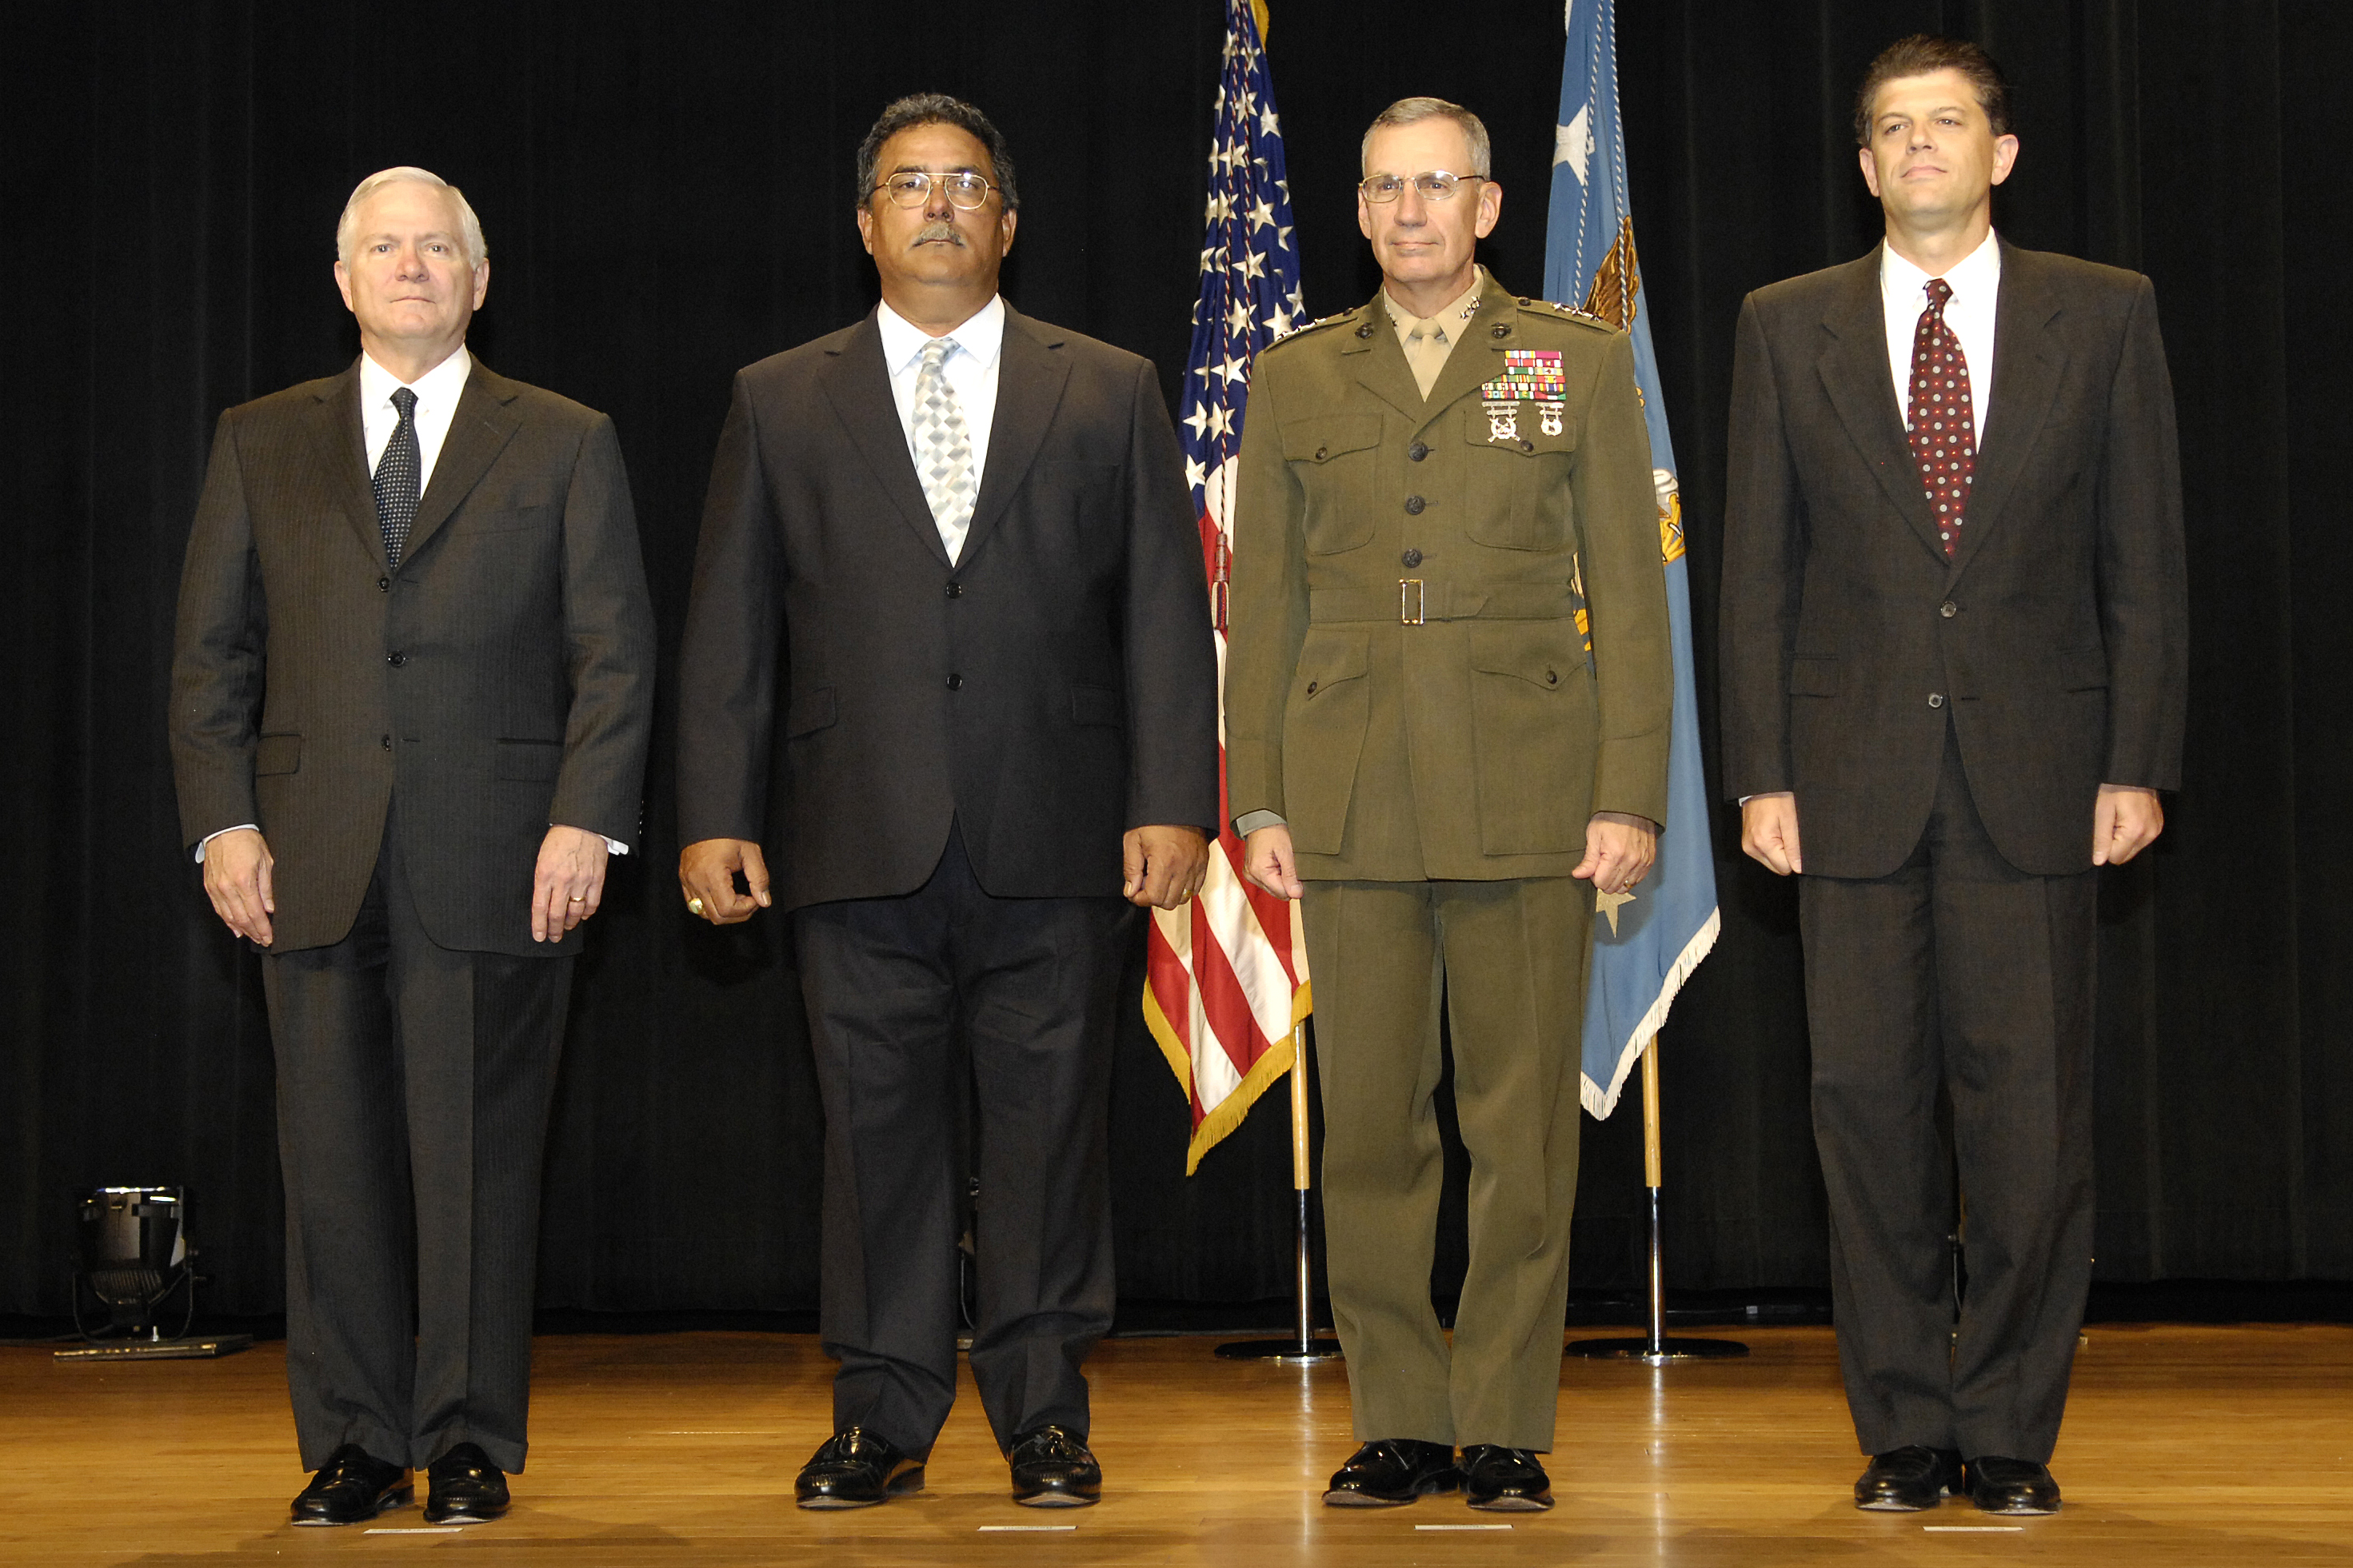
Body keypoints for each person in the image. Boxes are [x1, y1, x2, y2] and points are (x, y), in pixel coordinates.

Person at [673, 93, 1217, 1510]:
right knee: (875, 1138)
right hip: (852, 832)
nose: (937, 204)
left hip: (1060, 825)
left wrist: (1174, 799)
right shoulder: (778, 396)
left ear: (1008, 222)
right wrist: (712, 812)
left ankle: (1044, 1411)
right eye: (908, 183)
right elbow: (731, 628)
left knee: (1048, 1133)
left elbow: (1164, 612)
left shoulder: (1105, 386)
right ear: (865, 224)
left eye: (965, 184)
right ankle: (882, 1412)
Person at [1718, 35, 2186, 1516]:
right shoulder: (1782, 324)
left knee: (2031, 1125)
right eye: (1891, 128)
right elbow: (1753, 573)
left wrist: (2138, 757)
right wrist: (1757, 772)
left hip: (2040, 776)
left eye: (1948, 123)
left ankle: (2011, 1430)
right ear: (1863, 166)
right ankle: (1905, 1426)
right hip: (1843, 778)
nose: (1920, 146)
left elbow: (2146, 559)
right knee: (1860, 1111)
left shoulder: (2102, 314)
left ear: (2001, 152)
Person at [169, 167, 656, 1526]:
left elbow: (613, 649)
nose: (411, 267)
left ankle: (464, 1438)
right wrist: (223, 819)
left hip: (505, 860)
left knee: (480, 1165)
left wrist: (587, 817)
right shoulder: (259, 439)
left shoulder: (564, 439)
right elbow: (211, 655)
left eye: (437, 247)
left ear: (480, 278)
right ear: (342, 280)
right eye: (383, 247)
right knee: (330, 1167)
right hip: (306, 855)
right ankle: (352, 1438)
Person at [1224, 96, 1672, 1513]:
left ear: (1486, 206)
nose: (1411, 210)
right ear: (1357, 212)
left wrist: (1628, 794)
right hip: (1349, 797)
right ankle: (1401, 1416)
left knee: (1521, 1126)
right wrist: (1262, 799)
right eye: (1385, 188)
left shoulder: (1573, 362)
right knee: (1365, 1128)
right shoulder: (1294, 379)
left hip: (1528, 792)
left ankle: (1504, 1423)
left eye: (1439, 185)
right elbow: (1266, 603)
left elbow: (1630, 593)